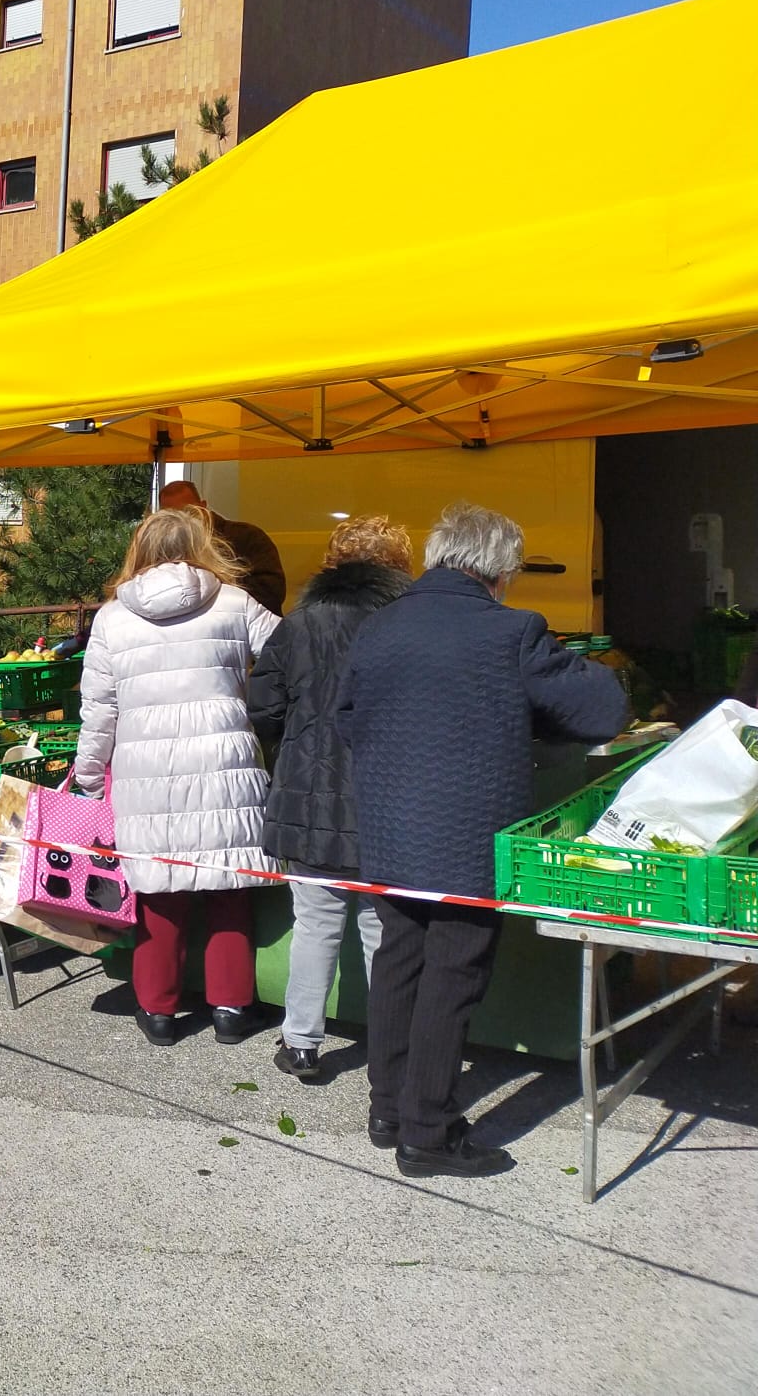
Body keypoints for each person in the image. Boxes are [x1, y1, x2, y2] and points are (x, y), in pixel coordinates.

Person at [340, 502, 627, 1178]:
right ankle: (427, 1133)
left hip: (388, 827)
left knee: (399, 961)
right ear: (500, 571)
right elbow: (602, 709)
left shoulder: (380, 626)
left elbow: (346, 718)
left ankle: (390, 1108)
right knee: (454, 973)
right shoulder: (513, 631)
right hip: (466, 834)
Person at [72, 507, 280, 1047]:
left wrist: (91, 782)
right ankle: (232, 1011)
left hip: (146, 772)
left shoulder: (112, 619)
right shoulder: (235, 604)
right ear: (202, 546)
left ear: (137, 551)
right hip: (224, 759)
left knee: (158, 891)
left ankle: (158, 1011)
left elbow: (99, 714)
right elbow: (290, 659)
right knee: (229, 885)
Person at [248, 515, 414, 1083]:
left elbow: (262, 708)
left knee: (314, 923)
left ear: (332, 564)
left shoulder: (299, 625)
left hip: (309, 797)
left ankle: (300, 1043)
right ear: (398, 567)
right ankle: (395, 1050)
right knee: (382, 929)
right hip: (388, 803)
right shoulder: (411, 623)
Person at [158, 480, 287, 616]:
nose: (182, 520)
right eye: (171, 516)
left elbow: (271, 592)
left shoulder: (248, 537)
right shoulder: (164, 548)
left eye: (188, 511)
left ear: (203, 506)